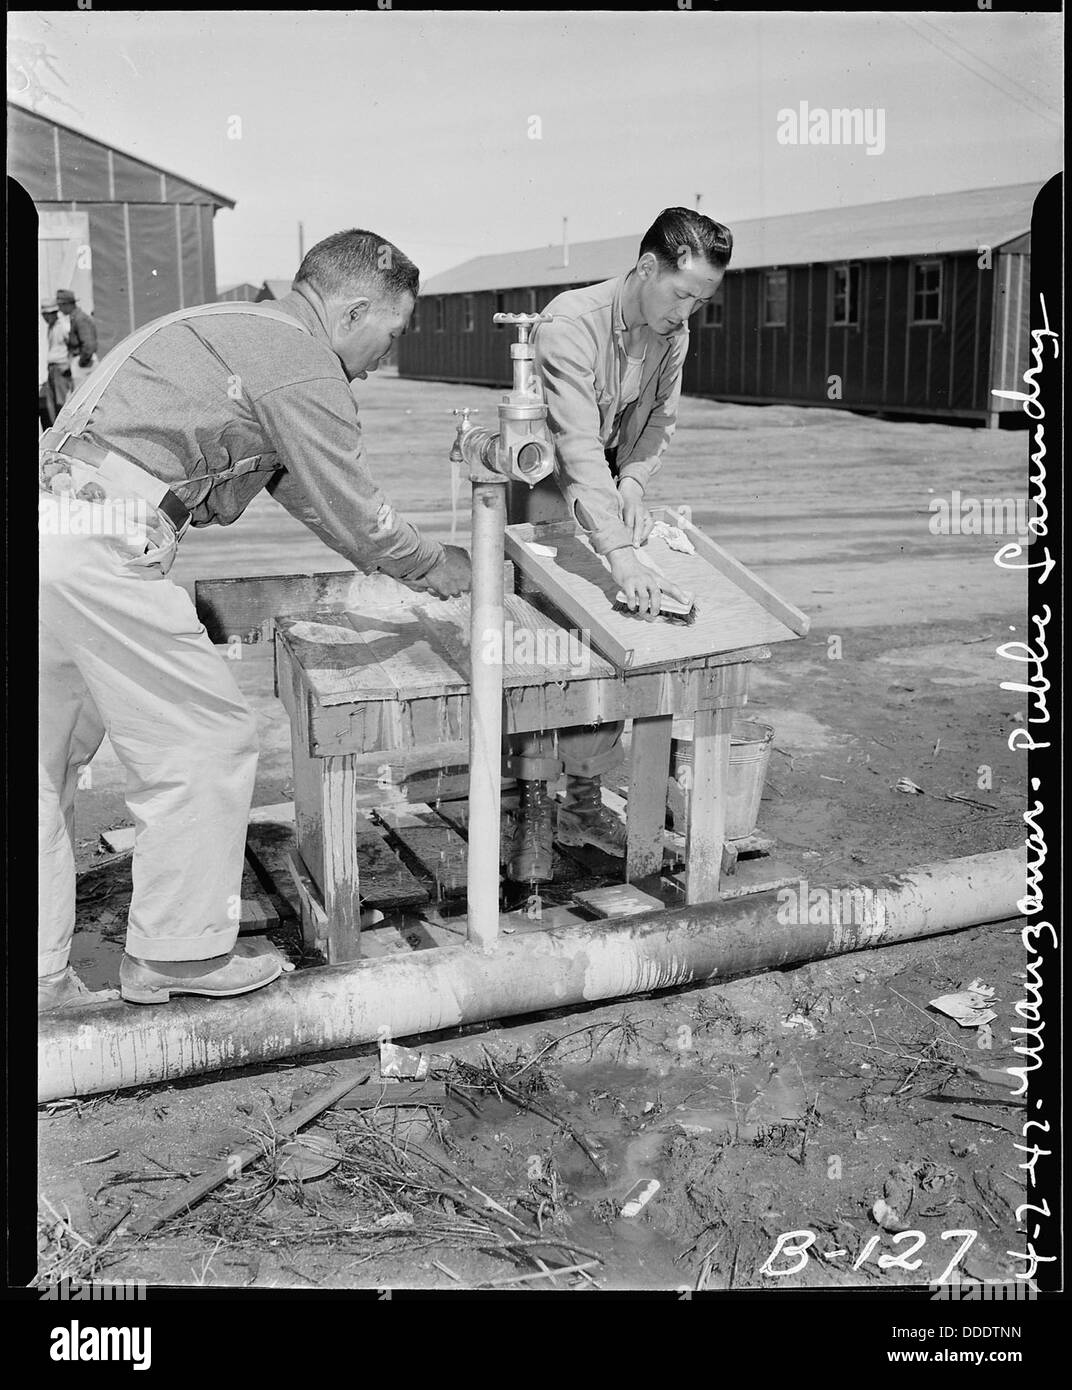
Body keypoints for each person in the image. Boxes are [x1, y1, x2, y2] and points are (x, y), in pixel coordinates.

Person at [39, 228, 470, 1011]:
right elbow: (356, 512)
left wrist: (377, 549)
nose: (384, 356)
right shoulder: (300, 357)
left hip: (45, 518)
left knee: (41, 763)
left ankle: (35, 975)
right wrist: (436, 563)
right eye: (391, 332)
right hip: (103, 534)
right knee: (204, 741)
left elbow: (303, 494)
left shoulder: (225, 328)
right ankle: (176, 956)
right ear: (352, 308)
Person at [504, 207, 733, 882]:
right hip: (542, 478)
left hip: (607, 481)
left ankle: (578, 796)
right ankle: (532, 802)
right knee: (550, 640)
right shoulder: (569, 324)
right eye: (682, 293)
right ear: (645, 268)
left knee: (617, 638)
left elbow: (660, 416)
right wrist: (621, 554)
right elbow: (575, 443)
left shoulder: (673, 332)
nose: (688, 311)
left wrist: (634, 480)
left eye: (702, 300)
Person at [55, 289, 98, 384]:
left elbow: (89, 345)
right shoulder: (75, 318)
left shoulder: (80, 319)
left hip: (84, 364)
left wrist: (81, 362)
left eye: (60, 305)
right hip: (81, 362)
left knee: (82, 395)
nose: (59, 309)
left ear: (67, 304)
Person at [41, 298, 72, 423]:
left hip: (61, 367)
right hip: (53, 368)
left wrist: (68, 365)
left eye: (47, 315)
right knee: (53, 402)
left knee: (63, 401)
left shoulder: (64, 326)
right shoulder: (51, 327)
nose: (45, 318)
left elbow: (73, 346)